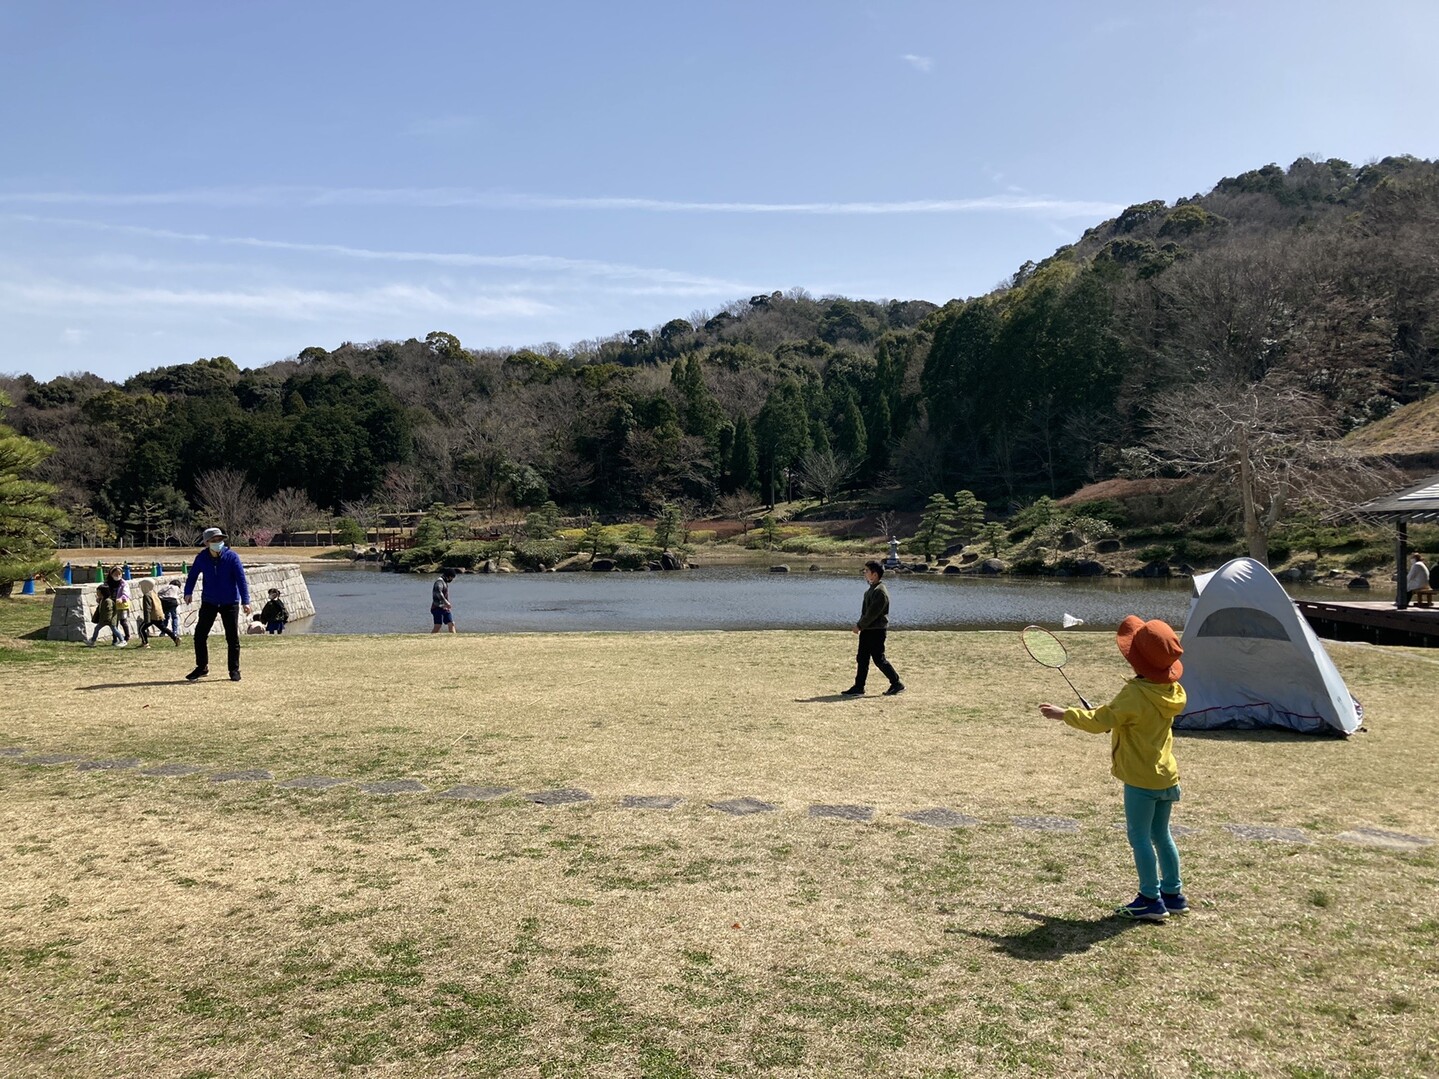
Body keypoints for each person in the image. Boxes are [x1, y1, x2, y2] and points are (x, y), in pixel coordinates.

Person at [1039, 616, 1188, 922]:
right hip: (1166, 776)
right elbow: (1116, 719)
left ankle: (1150, 899)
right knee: (1162, 835)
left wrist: (1063, 713)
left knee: (1140, 837)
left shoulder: (1134, 694)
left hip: (1140, 781)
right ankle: (1173, 894)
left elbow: (1099, 722)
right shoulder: (1172, 691)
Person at [183, 527, 251, 682]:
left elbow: (241, 580)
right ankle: (202, 667)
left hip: (230, 602)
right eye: (214, 540)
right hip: (209, 601)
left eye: (220, 540)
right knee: (200, 635)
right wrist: (188, 592)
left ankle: (234, 670)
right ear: (207, 543)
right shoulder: (201, 557)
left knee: (232, 638)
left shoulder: (232, 557)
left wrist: (246, 601)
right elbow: (192, 576)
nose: (218, 543)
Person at [841, 560, 904, 696]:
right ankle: (859, 686)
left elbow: (872, 613)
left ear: (874, 575)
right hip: (868, 630)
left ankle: (896, 683)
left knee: (878, 659)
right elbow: (867, 613)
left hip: (876, 630)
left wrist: (859, 625)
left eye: (867, 571)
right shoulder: (872, 589)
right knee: (862, 658)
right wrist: (862, 626)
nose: (865, 573)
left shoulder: (880, 592)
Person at [135, 577, 179, 647]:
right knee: (163, 628)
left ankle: (145, 643)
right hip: (158, 615)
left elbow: (147, 608)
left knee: (141, 629)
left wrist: (147, 619)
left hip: (152, 616)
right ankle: (175, 638)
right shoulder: (153, 593)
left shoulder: (147, 595)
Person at [106, 567, 133, 645]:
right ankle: (115, 639)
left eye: (119, 574)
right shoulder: (108, 583)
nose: (117, 575)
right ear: (111, 574)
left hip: (121, 605)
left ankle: (127, 636)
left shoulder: (123, 583)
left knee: (123, 621)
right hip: (112, 605)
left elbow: (126, 593)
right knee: (114, 623)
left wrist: (122, 598)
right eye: (115, 574)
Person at [431, 567, 457, 633]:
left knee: (451, 623)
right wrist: (446, 602)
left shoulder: (444, 582)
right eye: (452, 578)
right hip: (437, 607)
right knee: (438, 626)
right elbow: (438, 592)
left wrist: (446, 604)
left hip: (444, 608)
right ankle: (430, 639)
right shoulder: (439, 582)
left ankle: (454, 640)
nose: (452, 580)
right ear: (449, 576)